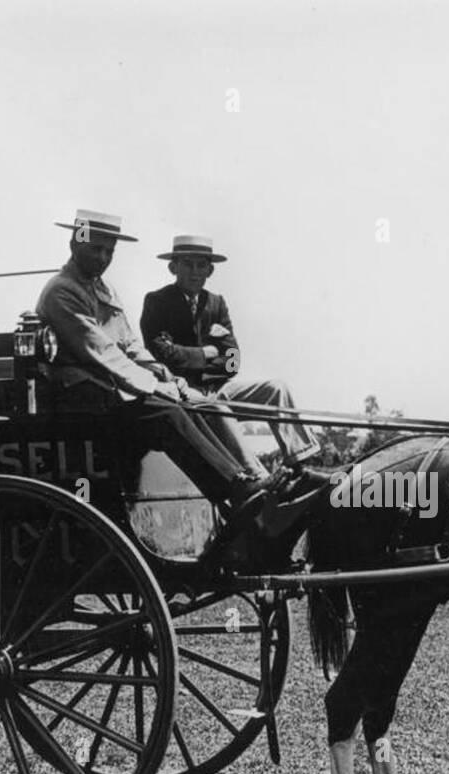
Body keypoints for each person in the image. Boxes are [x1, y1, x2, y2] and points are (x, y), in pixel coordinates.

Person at [35, 210, 297, 548]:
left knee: (198, 402)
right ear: (75, 242)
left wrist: (166, 374)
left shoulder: (102, 288)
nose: (102, 258)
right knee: (168, 411)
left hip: (114, 392)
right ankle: (237, 489)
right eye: (95, 249)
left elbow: (131, 346)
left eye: (109, 251)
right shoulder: (62, 292)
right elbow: (103, 353)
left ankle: (247, 483)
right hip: (88, 402)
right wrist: (161, 384)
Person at [139, 235, 320, 474]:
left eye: (201, 265)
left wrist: (196, 358)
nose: (195, 272)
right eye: (187, 264)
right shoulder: (157, 301)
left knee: (277, 388)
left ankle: (301, 465)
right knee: (219, 410)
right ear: (173, 267)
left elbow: (232, 361)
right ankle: (257, 478)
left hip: (219, 389)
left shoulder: (216, 303)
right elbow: (164, 355)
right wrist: (209, 353)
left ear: (210, 270)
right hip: (183, 392)